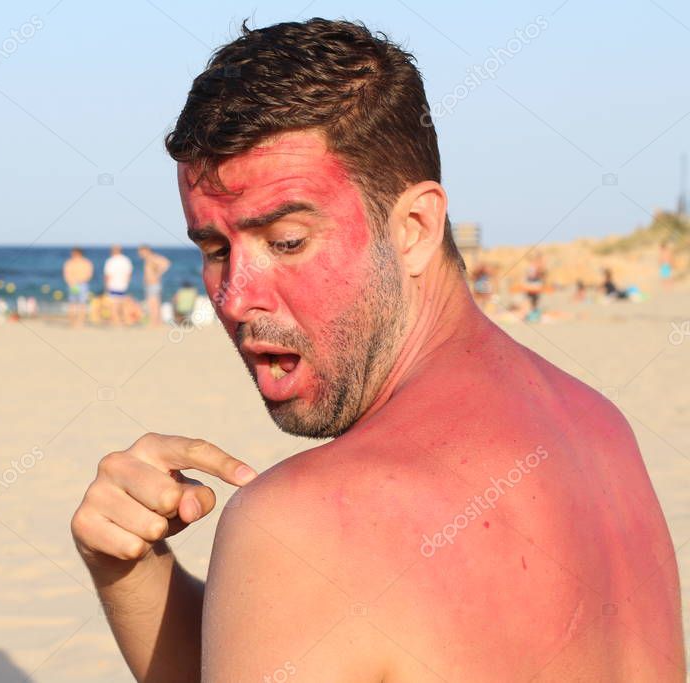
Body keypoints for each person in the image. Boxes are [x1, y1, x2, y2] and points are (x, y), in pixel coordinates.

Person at [70, 19, 684, 682]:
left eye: (285, 241)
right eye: (216, 251)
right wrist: (131, 568)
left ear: (415, 228)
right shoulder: (601, 431)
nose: (235, 296)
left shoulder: (303, 526)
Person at [137, 245, 171, 326]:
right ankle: (157, 321)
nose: (140, 254)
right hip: (152, 284)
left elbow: (166, 263)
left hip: (153, 284)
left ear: (146, 251)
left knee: (153, 304)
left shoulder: (152, 257)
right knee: (155, 303)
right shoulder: (149, 259)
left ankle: (154, 322)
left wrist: (158, 273)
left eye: (141, 252)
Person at [63, 247, 94, 327]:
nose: (72, 254)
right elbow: (66, 274)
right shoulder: (71, 262)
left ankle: (80, 322)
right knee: (74, 304)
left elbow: (89, 274)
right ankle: (73, 322)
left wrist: (74, 281)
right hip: (75, 284)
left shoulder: (84, 262)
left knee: (80, 304)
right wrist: (73, 282)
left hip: (80, 284)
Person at [103, 245, 133, 326]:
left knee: (114, 304)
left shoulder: (111, 260)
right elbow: (129, 273)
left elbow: (108, 275)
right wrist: (127, 282)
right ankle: (124, 320)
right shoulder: (126, 260)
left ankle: (116, 321)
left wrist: (106, 286)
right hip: (123, 285)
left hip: (113, 284)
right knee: (122, 303)